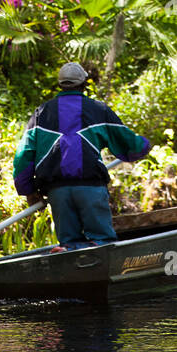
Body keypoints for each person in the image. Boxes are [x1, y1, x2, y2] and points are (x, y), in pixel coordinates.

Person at [13, 62, 151, 250]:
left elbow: (23, 155)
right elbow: (128, 144)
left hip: (57, 192)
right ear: (85, 84)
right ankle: (99, 248)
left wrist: (28, 190)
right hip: (90, 188)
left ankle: (69, 251)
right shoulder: (98, 109)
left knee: (69, 244)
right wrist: (144, 145)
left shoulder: (41, 114)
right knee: (103, 242)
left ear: (60, 84)